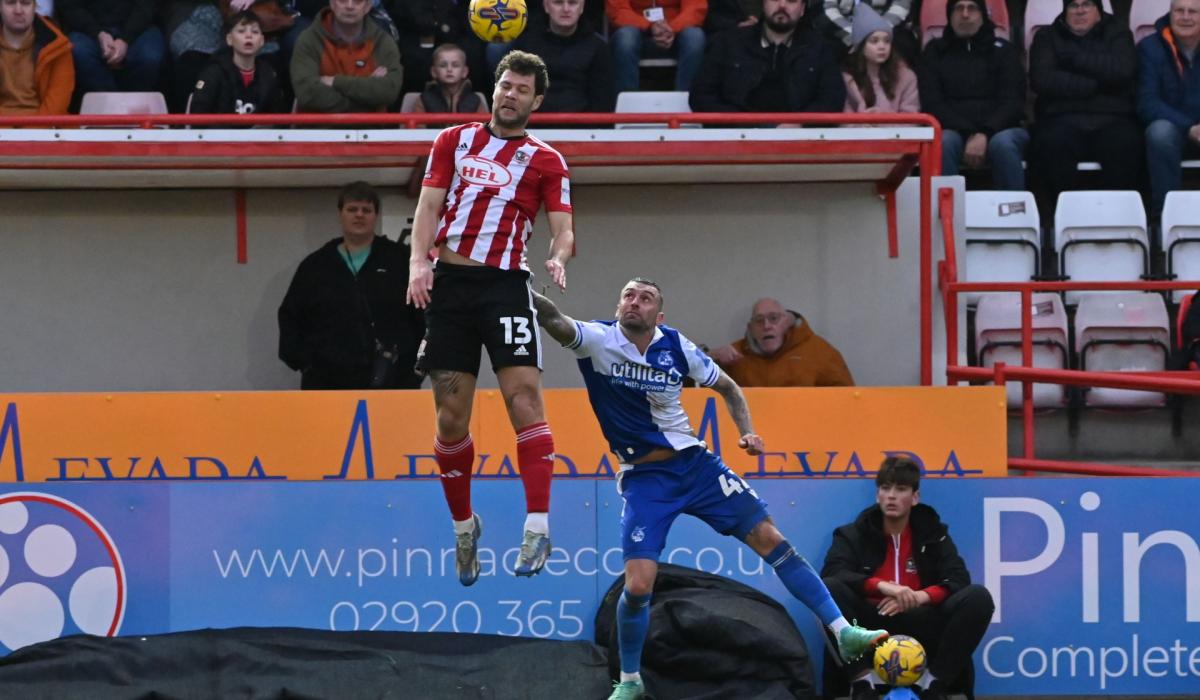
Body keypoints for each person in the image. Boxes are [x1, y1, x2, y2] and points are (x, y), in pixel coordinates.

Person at [530, 278, 889, 700]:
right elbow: (554, 319)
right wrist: (521, 289)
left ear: (658, 316)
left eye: (645, 298)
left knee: (772, 539)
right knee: (640, 586)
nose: (634, 302)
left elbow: (728, 387)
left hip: (696, 467)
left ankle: (843, 631)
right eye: (628, 295)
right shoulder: (597, 339)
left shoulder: (676, 346)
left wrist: (747, 431)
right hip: (646, 481)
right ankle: (630, 681)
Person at [406, 50, 575, 586]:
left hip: (505, 286)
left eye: (522, 89)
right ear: (494, 88)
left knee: (523, 400)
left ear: (536, 100)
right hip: (452, 287)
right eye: (506, 85)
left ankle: (538, 524)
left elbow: (565, 228)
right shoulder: (453, 140)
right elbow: (429, 207)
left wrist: (557, 255)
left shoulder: (548, 160)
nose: (511, 94)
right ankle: (463, 527)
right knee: (450, 417)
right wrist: (417, 263)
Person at [821, 456, 995, 700]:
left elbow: (958, 578)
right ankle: (861, 683)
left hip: (922, 624)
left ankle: (934, 683)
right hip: (869, 628)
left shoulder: (934, 533)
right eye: (885, 488)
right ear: (877, 495)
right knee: (827, 589)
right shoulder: (853, 533)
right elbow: (834, 572)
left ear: (914, 497)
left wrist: (919, 597)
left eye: (900, 489)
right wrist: (883, 588)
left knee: (978, 597)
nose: (891, 496)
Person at [278, 181, 425, 390]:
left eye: (366, 210)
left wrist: (415, 370)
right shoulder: (315, 266)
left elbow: (424, 317)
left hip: (393, 382)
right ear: (340, 214)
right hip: (326, 385)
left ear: (376, 215)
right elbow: (290, 318)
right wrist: (307, 364)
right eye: (352, 209)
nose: (359, 215)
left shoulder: (401, 260)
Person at [1029, 0, 1141, 217]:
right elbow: (1042, 80)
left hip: (1113, 118)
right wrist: (1097, 84)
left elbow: (1123, 72)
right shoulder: (1047, 36)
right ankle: (1058, 222)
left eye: (1087, 4)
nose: (1080, 10)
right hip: (1060, 118)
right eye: (1073, 5)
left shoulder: (1118, 32)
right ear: (1065, 9)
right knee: (1050, 144)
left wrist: (1072, 60)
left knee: (1127, 144)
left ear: (1098, 9)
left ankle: (1119, 220)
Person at [919, 0, 1028, 190]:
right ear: (949, 15)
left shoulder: (1004, 51)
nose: (965, 14)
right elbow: (932, 103)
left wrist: (985, 133)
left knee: (1003, 145)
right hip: (952, 129)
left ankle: (1013, 214)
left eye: (972, 8)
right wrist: (970, 133)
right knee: (942, 143)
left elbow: (1013, 102)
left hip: (1000, 129)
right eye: (958, 8)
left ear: (983, 15)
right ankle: (944, 214)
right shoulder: (934, 52)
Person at [689, 0, 846, 116]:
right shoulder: (728, 42)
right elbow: (701, 96)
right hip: (735, 141)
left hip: (800, 143)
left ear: (803, 9)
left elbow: (832, 99)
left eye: (791, 1)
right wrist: (742, 123)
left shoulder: (820, 48)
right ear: (763, 4)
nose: (782, 5)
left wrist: (799, 124)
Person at [1137, 0, 1200, 219]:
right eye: (1179, 11)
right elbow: (1147, 103)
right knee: (1159, 133)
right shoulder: (1150, 48)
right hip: (1175, 130)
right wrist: (1189, 127)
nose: (1185, 17)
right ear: (1170, 14)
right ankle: (1166, 218)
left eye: (1192, 11)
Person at [709, 297, 854, 387]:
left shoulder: (819, 352)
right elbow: (691, 386)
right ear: (750, 328)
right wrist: (710, 357)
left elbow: (847, 398)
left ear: (786, 322)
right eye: (759, 320)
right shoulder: (734, 355)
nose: (766, 326)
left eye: (774, 318)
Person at [290, 0, 402, 113]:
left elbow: (389, 92)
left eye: (357, 1)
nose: (349, 6)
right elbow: (307, 94)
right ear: (332, 3)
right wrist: (368, 95)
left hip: (371, 128)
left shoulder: (383, 42)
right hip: (319, 128)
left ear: (368, 6)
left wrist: (335, 82)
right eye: (342, 0)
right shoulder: (309, 39)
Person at [508, 0, 615, 114]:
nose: (566, 9)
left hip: (582, 128)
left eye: (573, 3)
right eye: (558, 3)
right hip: (533, 126)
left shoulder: (598, 48)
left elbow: (601, 103)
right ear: (546, 6)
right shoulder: (526, 45)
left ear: (582, 7)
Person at [189, 11, 287, 115]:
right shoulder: (214, 73)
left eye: (255, 32)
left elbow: (279, 119)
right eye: (241, 31)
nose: (249, 36)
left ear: (262, 41)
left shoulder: (269, 74)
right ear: (229, 39)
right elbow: (199, 117)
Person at [57, 0, 165, 94]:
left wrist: (125, 39)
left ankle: (133, 105)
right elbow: (69, 6)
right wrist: (97, 33)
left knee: (150, 56)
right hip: (89, 30)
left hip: (136, 28)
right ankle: (111, 104)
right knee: (78, 51)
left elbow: (148, 6)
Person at [606, 0, 706, 94]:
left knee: (695, 38)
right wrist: (650, 26)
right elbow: (618, 9)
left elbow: (694, 7)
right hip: (636, 30)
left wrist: (671, 28)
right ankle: (627, 108)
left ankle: (687, 105)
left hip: (674, 32)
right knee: (626, 39)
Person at [841, 4, 919, 115]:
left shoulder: (906, 77)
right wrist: (862, 124)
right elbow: (844, 119)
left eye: (887, 41)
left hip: (896, 132)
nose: (882, 46)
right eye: (874, 41)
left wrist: (883, 120)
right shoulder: (847, 79)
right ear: (861, 46)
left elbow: (911, 117)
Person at [0, 0, 73, 115]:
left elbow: (56, 107)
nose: (18, 11)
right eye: (10, 3)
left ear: (35, 7)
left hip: (46, 129)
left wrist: (34, 130)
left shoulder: (58, 46)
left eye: (25, 3)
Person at [411, 42, 487, 113]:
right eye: (443, 65)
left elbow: (484, 126)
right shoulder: (424, 100)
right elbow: (417, 127)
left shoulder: (475, 101)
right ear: (434, 72)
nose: (449, 69)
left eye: (455, 65)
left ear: (464, 72)